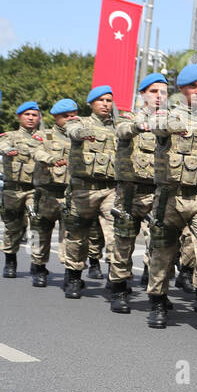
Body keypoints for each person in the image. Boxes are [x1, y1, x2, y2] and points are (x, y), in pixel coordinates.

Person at [143, 64, 197, 329]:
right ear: (182, 89)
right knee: (162, 252)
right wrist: (171, 124)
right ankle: (158, 301)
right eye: (193, 87)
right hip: (169, 197)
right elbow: (156, 124)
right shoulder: (168, 113)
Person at [106, 73, 166, 314]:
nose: (159, 96)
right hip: (130, 193)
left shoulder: (169, 120)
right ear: (142, 94)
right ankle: (119, 288)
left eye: (163, 91)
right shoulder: (128, 117)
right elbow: (122, 130)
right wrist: (139, 124)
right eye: (153, 91)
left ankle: (157, 293)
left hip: (159, 193)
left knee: (160, 245)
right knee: (123, 242)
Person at [61, 86, 125, 299]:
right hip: (83, 189)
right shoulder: (78, 122)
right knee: (77, 236)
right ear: (91, 104)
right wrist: (82, 134)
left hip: (110, 190)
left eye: (109, 100)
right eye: (100, 100)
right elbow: (72, 131)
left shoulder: (118, 127)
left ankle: (116, 284)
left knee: (117, 236)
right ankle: (73, 276)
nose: (106, 104)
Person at [27, 100, 77, 287]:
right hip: (46, 192)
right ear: (56, 118)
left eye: (73, 115)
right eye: (66, 116)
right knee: (40, 232)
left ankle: (70, 273)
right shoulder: (43, 135)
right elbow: (36, 152)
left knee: (70, 235)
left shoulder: (79, 137)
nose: (70, 119)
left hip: (70, 194)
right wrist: (51, 158)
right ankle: (39, 268)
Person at [0, 101, 43, 278]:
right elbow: (2, 146)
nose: (31, 118)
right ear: (19, 116)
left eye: (34, 115)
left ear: (39, 118)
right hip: (13, 190)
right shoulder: (9, 136)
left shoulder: (44, 138)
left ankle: (37, 263)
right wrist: (8, 150)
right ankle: (10, 261)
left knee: (36, 226)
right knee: (12, 227)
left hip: (35, 190)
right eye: (27, 114)